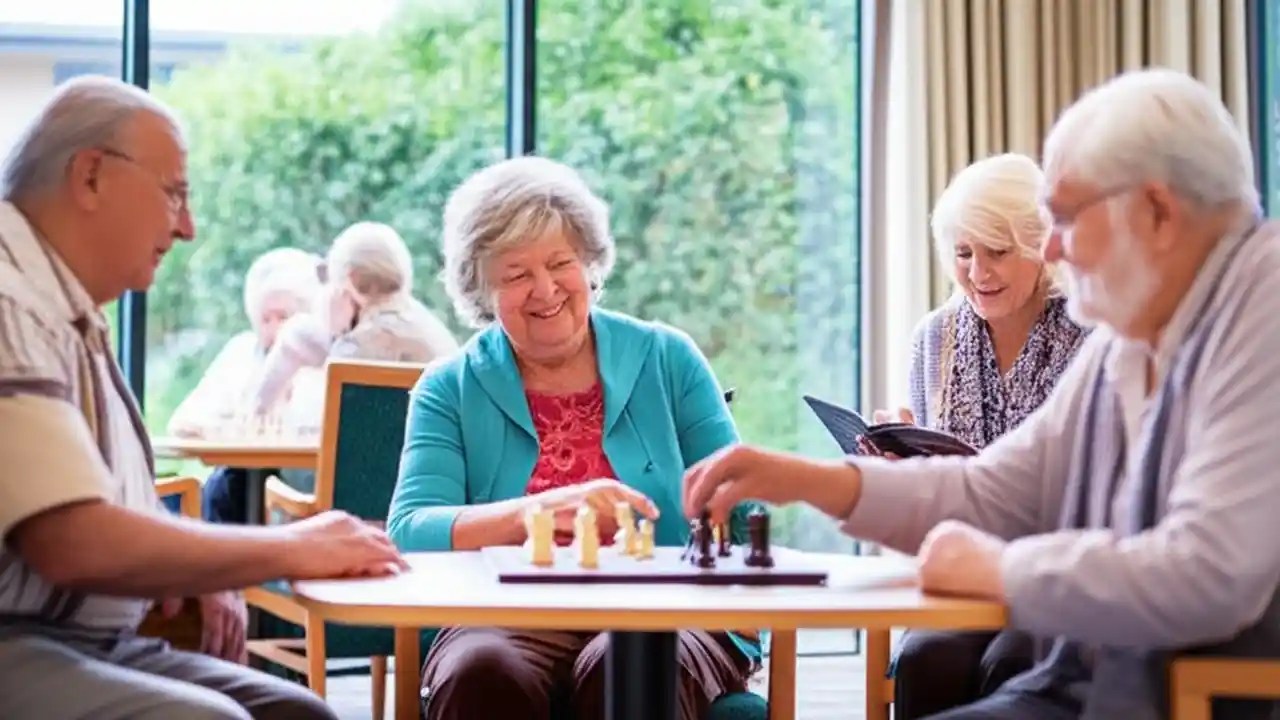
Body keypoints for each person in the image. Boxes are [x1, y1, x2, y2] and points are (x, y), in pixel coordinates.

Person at [682, 68, 1280, 720]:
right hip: (1082, 682)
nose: (1051, 247)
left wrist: (1001, 570)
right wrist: (801, 478)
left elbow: (1211, 574)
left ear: (1159, 212)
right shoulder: (1131, 331)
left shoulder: (1264, 310)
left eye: (1067, 218)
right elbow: (995, 487)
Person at [0, 75, 405, 720]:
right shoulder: (11, 303)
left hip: (80, 638)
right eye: (174, 195)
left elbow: (96, 507)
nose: (186, 227)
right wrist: (290, 547)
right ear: (92, 177)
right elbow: (73, 541)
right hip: (21, 639)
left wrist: (189, 569)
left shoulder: (63, 304)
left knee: (301, 713)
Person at [387, 155, 762, 720]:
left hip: (664, 606)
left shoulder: (668, 358)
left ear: (588, 263)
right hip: (504, 613)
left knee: (629, 661)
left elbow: (740, 502)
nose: (545, 290)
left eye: (560, 262)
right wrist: (539, 512)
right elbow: (411, 530)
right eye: (516, 274)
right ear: (482, 288)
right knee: (481, 672)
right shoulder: (449, 386)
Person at [882, 153, 1088, 720]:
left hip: (1056, 575)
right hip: (966, 578)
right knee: (925, 659)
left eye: (997, 252)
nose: (977, 273)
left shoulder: (1088, 335)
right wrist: (901, 473)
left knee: (1012, 662)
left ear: (1041, 247)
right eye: (963, 253)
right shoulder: (935, 339)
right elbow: (935, 497)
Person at [251, 220, 460, 414]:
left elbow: (320, 422)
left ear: (347, 281)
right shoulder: (413, 319)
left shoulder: (368, 341)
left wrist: (338, 334)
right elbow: (299, 337)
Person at [167, 246, 322, 438]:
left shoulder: (322, 361)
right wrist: (227, 429)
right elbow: (183, 424)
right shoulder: (240, 352)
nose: (274, 329)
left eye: (283, 317)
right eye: (265, 319)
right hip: (240, 466)